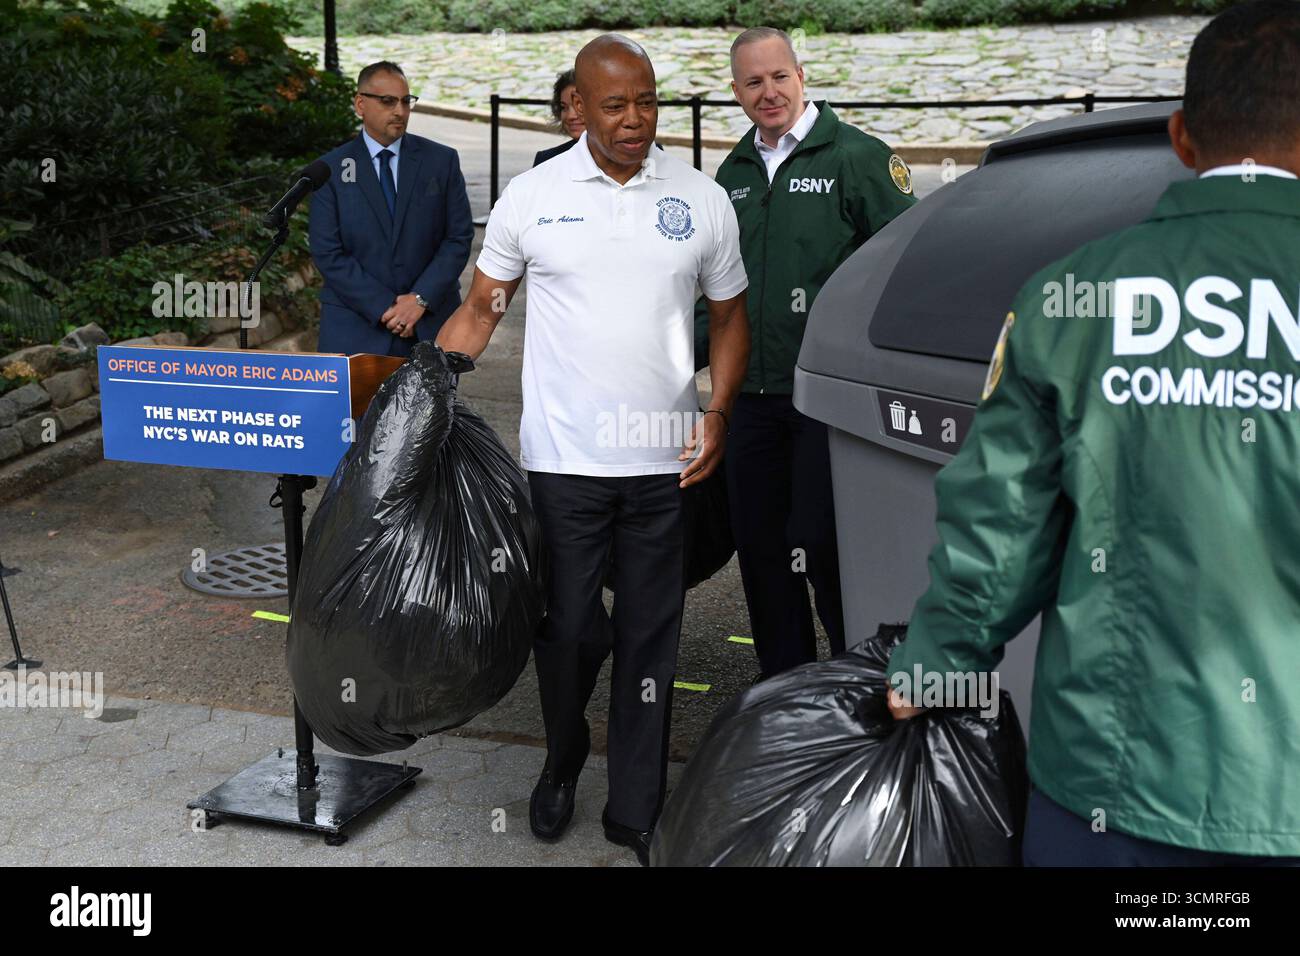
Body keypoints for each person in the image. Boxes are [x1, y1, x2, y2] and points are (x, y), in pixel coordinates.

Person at [886, 0, 1300, 865]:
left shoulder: (1069, 297)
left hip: (1113, 793)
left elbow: (999, 524)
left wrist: (939, 659)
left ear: (1182, 138)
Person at [435, 34, 750, 865]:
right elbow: (482, 309)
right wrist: (425, 386)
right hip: (564, 463)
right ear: (579, 105)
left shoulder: (701, 198)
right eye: (617, 105)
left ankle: (636, 806)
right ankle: (564, 755)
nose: (636, 119)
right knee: (571, 631)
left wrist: (717, 410)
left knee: (653, 637)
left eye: (646, 100)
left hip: (664, 461)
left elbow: (730, 317)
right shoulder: (532, 198)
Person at [698, 27, 917, 681]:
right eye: (753, 82)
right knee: (763, 556)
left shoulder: (855, 157)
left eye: (779, 77)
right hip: (750, 400)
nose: (769, 92)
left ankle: (858, 689)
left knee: (826, 548)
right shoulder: (732, 173)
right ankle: (785, 695)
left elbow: (908, 262)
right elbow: (716, 287)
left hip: (826, 400)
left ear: (801, 74)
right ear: (736, 92)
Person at [309, 61, 473, 355]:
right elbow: (328, 252)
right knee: (361, 405)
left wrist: (420, 299)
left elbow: (458, 238)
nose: (400, 111)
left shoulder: (441, 161)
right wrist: (387, 307)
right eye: (388, 101)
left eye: (406, 101)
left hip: (431, 327)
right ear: (360, 104)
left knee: (433, 404)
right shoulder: (329, 170)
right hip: (355, 329)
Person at [532, 69, 584, 167]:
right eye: (564, 107)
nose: (570, 116)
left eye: (580, 106)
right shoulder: (546, 161)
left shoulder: (620, 160)